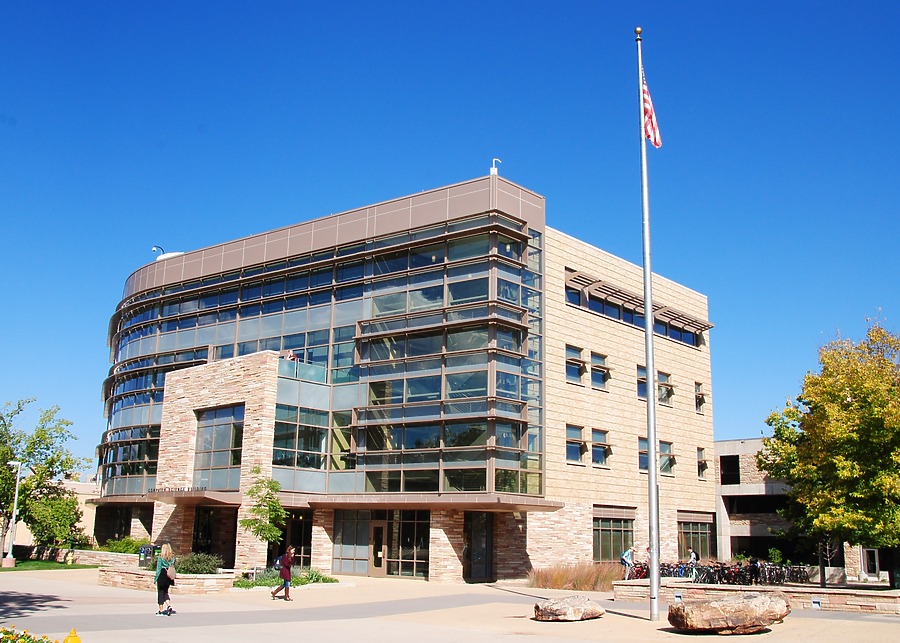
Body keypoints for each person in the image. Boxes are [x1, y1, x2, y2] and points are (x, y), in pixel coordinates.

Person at [154, 543, 176, 616]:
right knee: (165, 592)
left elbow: (158, 569)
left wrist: (155, 579)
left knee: (160, 592)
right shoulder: (172, 558)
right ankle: (169, 606)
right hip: (169, 576)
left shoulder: (160, 558)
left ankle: (161, 610)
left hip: (162, 575)